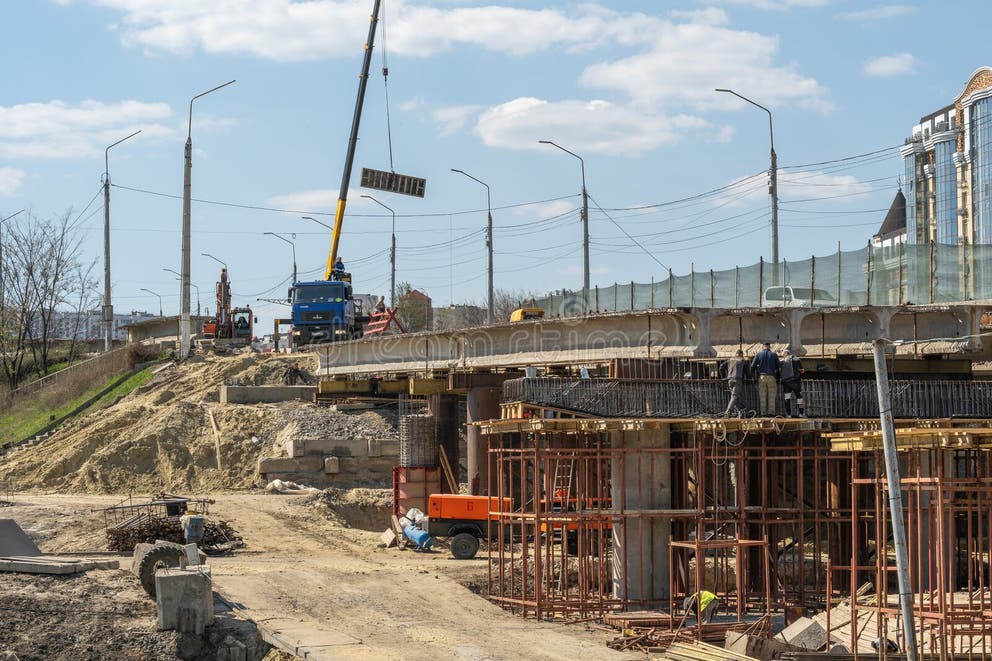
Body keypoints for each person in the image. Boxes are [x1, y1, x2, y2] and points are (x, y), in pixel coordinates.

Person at [750, 341, 780, 416]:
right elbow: (778, 367)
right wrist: (778, 376)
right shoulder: (774, 355)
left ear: (763, 346)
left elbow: (752, 366)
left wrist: (753, 376)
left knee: (762, 395)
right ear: (769, 346)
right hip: (771, 376)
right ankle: (771, 413)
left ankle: (763, 413)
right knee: (772, 396)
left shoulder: (759, 354)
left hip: (761, 376)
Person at [780, 349, 805, 417]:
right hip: (796, 382)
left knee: (787, 398)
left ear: (786, 353)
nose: (781, 354)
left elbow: (779, 372)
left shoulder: (782, 361)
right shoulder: (797, 359)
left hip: (786, 383)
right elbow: (802, 371)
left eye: (782, 352)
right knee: (799, 398)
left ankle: (788, 414)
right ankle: (801, 413)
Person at [723, 349, 747, 416]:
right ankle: (728, 411)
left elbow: (721, 367)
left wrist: (724, 377)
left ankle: (740, 412)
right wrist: (749, 377)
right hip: (737, 380)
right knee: (734, 396)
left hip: (730, 380)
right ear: (741, 354)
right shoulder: (742, 361)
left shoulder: (730, 360)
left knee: (735, 397)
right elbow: (747, 371)